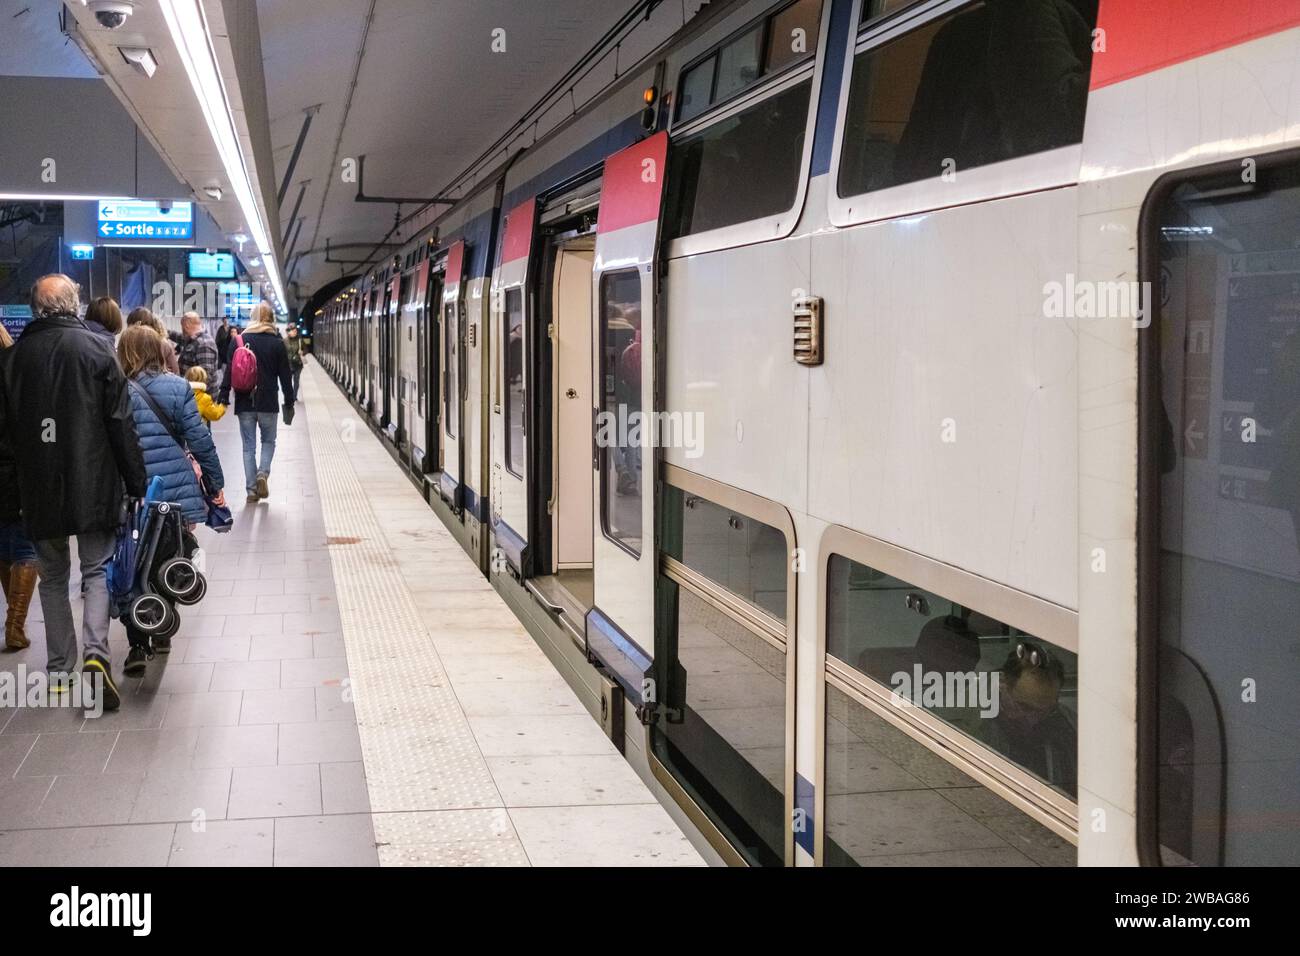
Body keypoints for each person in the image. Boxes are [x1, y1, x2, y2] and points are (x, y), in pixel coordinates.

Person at [0, 274, 147, 710]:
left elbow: (6, 437)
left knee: (54, 576)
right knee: (96, 570)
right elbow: (121, 424)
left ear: (33, 309)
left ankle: (61, 671)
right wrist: (135, 481)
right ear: (74, 304)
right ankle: (96, 656)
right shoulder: (99, 350)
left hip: (38, 486)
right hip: (94, 481)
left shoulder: (12, 360)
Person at [119, 325, 225, 671]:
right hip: (172, 492)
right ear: (160, 352)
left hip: (130, 493)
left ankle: (137, 644)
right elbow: (200, 440)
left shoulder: (115, 389)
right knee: (166, 555)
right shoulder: (178, 387)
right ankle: (163, 627)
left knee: (130, 563)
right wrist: (214, 482)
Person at [218, 302, 295, 504]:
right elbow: (286, 377)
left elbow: (229, 371)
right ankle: (263, 473)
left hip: (244, 402)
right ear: (271, 319)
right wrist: (289, 401)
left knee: (248, 447)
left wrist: (224, 394)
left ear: (252, 318)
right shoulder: (277, 343)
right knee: (268, 441)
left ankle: (251, 490)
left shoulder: (239, 340)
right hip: (269, 401)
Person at [0, 324, 38, 652]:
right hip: (18, 466)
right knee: (26, 546)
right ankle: (15, 625)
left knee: (1, 543)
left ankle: (13, 623)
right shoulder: (17, 369)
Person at [177, 311, 219, 384]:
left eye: (182, 326)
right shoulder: (193, 340)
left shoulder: (204, 344)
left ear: (186, 325)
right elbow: (178, 337)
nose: (182, 330)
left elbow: (205, 377)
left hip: (199, 394)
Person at [285, 325, 305, 398]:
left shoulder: (300, 340)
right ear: (288, 332)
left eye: (295, 331)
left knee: (296, 380)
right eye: (293, 331)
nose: (294, 332)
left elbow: (306, 349)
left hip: (298, 364)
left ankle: (294, 396)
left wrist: (302, 352)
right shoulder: (284, 341)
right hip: (288, 364)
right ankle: (289, 395)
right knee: (288, 381)